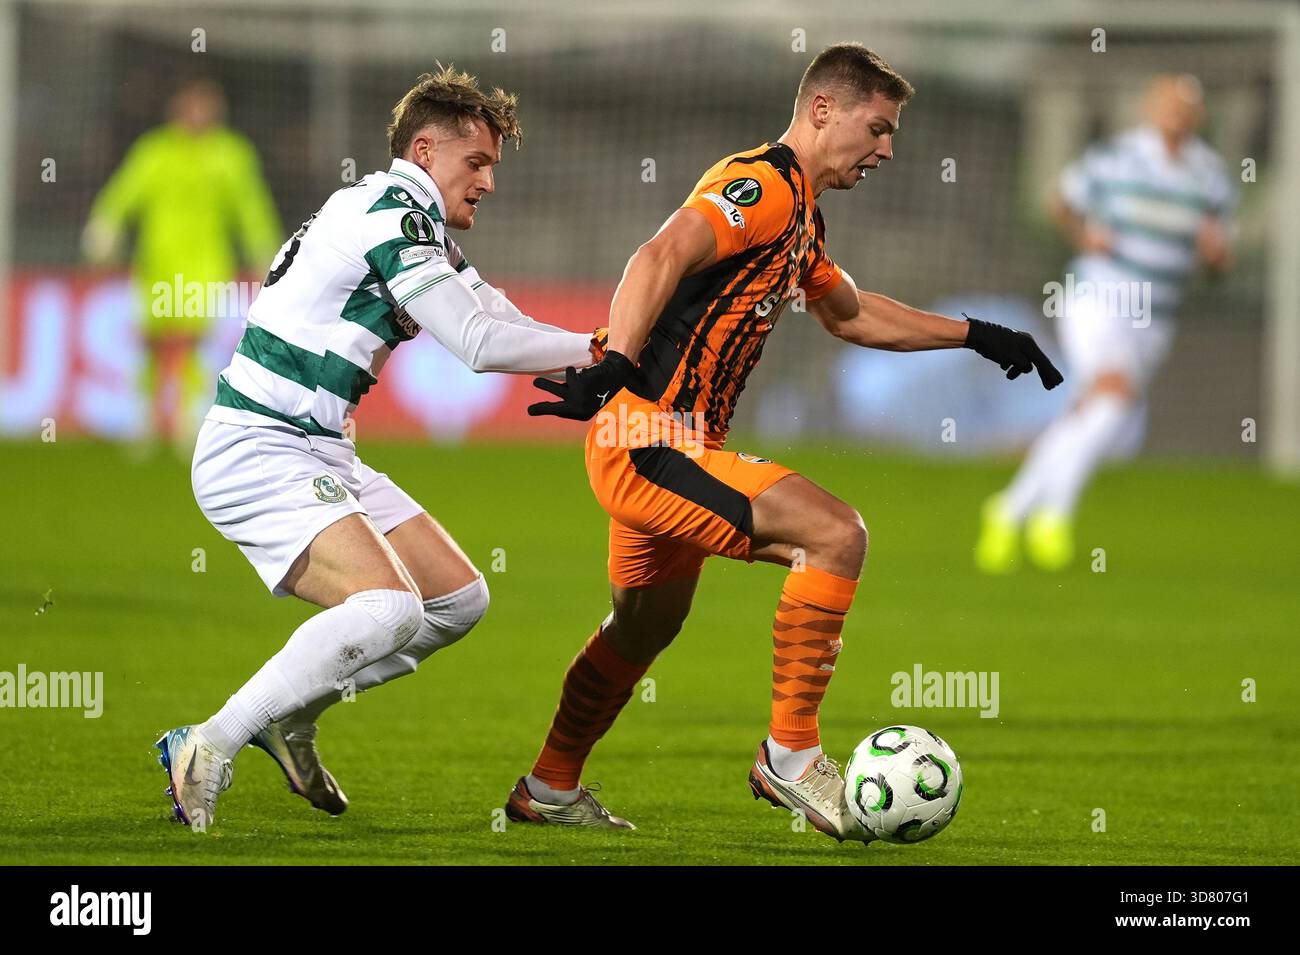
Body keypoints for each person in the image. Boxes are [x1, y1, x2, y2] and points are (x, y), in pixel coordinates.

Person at [507, 44, 1061, 839]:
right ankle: (791, 756)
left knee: (642, 627)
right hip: (648, 438)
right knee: (836, 534)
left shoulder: (803, 214)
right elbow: (659, 252)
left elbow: (850, 313)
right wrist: (619, 361)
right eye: (877, 127)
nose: (887, 150)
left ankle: (549, 786)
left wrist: (977, 334)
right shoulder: (760, 185)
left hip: (671, 447)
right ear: (824, 109)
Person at [156, 66, 606, 829]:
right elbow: (474, 338)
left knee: (457, 599)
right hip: (258, 445)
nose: (489, 182)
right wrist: (602, 351)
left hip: (318, 447)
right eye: (479, 162)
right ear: (426, 150)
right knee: (391, 605)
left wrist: (599, 352)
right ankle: (209, 742)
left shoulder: (401, 213)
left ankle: (287, 716)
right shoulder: (393, 214)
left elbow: (491, 307)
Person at [976, 74, 1234, 573]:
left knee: (1099, 415)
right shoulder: (1118, 157)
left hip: (1156, 315)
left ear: (1198, 117)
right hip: (1102, 294)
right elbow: (1061, 201)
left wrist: (1215, 255)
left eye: (1186, 109)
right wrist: (1083, 235)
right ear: (1152, 108)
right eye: (1169, 106)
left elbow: (1221, 259)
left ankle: (1009, 508)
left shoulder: (1211, 176)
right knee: (1112, 396)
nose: (1177, 117)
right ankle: (1054, 513)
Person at [84, 78, 282, 451]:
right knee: (155, 340)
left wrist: (262, 252)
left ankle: (188, 418)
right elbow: (125, 191)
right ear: (177, 109)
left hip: (206, 264)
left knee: (193, 338)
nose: (197, 115)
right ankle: (145, 416)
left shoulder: (231, 154)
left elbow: (251, 207)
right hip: (157, 262)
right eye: (191, 106)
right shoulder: (155, 151)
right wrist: (105, 224)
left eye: (205, 107)